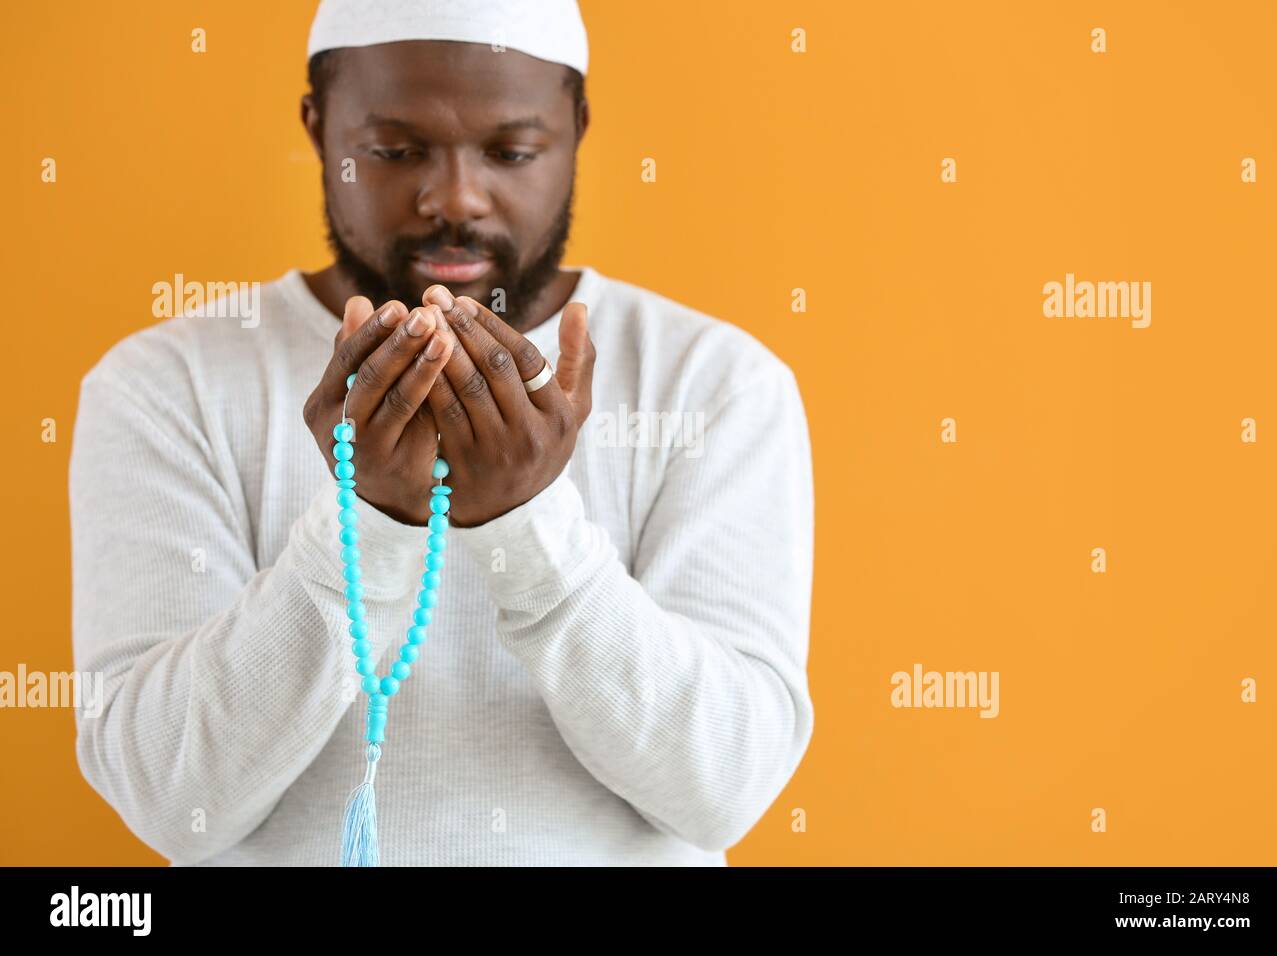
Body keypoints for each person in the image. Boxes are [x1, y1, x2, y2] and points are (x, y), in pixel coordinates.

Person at [68, 0, 815, 866]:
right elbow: (169, 798)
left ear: (577, 128)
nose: (453, 196)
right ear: (319, 128)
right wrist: (367, 523)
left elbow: (724, 788)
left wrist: (529, 524)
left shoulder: (716, 383)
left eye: (511, 151)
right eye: (393, 150)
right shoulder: (168, 385)